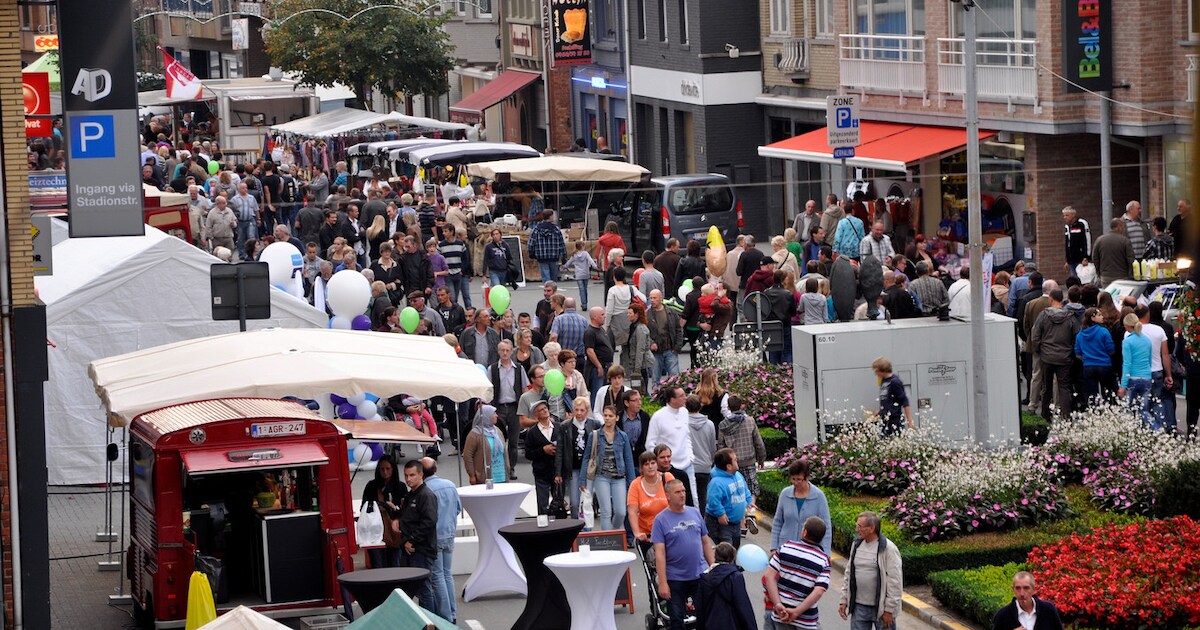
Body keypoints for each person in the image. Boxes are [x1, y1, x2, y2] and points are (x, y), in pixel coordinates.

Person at [652, 479, 716, 630]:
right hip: (675, 579)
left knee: (707, 616)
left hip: (699, 574)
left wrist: (713, 567)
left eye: (683, 491)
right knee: (677, 620)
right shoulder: (660, 520)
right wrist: (663, 582)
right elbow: (660, 553)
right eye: (677, 492)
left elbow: (706, 542)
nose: (682, 495)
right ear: (668, 496)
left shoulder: (695, 512)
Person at [766, 516, 832, 630]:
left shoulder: (786, 547)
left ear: (805, 532)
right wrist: (797, 611)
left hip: (781, 614)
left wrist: (777, 604)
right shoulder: (823, 560)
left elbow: (769, 576)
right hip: (806, 620)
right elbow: (818, 591)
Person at [579, 404, 636, 530]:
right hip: (601, 476)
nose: (607, 418)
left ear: (617, 418)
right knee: (606, 512)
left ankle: (614, 533)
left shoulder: (623, 436)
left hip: (619, 477)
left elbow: (628, 460)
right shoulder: (595, 435)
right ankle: (608, 538)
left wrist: (632, 482)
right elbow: (587, 457)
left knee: (621, 512)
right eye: (605, 415)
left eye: (610, 416)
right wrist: (582, 479)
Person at [420, 457, 460, 623]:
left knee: (437, 576)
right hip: (449, 533)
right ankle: (452, 613)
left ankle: (446, 616)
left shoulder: (425, 489)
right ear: (435, 469)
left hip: (434, 537)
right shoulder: (450, 485)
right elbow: (458, 508)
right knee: (447, 574)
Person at [1030, 288, 1081, 420]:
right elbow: (1076, 336)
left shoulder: (1043, 315)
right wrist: (1072, 352)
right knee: (1064, 387)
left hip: (1046, 356)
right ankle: (1066, 416)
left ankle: (1045, 414)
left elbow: (1035, 335)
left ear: (1050, 299)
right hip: (1064, 357)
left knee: (1046, 387)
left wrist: (1038, 350)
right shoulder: (1070, 317)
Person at [398, 460, 438, 610]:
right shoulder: (410, 495)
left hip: (422, 549)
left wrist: (412, 540)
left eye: (412, 475)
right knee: (411, 588)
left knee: (424, 589)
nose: (408, 479)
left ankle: (428, 620)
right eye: (406, 475)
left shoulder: (426, 495)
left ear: (421, 474)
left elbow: (429, 521)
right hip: (410, 548)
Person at [771, 460, 832, 556]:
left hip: (809, 552)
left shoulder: (819, 496)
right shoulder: (785, 494)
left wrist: (826, 553)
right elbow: (777, 523)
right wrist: (774, 548)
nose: (795, 483)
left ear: (807, 478)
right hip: (785, 549)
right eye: (793, 479)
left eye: (799, 479)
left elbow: (826, 527)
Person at [647, 386, 696, 503]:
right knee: (669, 501)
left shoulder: (684, 412)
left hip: (687, 465)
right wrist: (660, 463)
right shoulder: (658, 417)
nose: (685, 398)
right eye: (681, 396)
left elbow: (687, 436)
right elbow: (650, 443)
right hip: (668, 468)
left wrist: (690, 456)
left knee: (693, 500)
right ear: (672, 399)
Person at [557, 396, 601, 520]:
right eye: (576, 409)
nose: (579, 413)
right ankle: (575, 524)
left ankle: (588, 525)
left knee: (587, 499)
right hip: (574, 467)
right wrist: (558, 472)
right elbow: (560, 450)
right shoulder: (565, 426)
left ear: (587, 411)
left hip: (589, 468)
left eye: (582, 410)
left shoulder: (594, 424)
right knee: (574, 502)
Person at [697, 542, 757, 630]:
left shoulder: (705, 578)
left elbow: (700, 608)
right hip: (731, 624)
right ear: (732, 558)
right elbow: (743, 606)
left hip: (710, 624)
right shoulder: (735, 577)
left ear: (715, 556)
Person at [716, 396, 767, 498]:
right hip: (749, 462)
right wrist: (761, 460)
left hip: (731, 464)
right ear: (741, 406)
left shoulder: (723, 425)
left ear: (728, 407)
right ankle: (751, 507)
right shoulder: (750, 421)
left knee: (735, 492)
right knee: (752, 490)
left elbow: (721, 446)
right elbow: (759, 443)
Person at [704, 448, 755, 548]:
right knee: (726, 550)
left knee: (735, 546)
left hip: (735, 522)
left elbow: (744, 489)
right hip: (722, 523)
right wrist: (720, 514)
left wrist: (749, 501)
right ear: (729, 466)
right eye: (735, 460)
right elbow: (713, 500)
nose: (737, 460)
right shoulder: (716, 482)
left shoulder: (738, 475)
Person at [361, 455, 405, 567]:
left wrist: (395, 508)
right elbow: (363, 509)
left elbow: (405, 511)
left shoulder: (400, 487)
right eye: (382, 469)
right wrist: (377, 507)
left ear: (393, 469)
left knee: (395, 565)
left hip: (394, 531)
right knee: (378, 566)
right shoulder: (371, 486)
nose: (385, 472)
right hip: (375, 533)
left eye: (388, 469)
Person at [628, 451, 675, 547]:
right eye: (646, 464)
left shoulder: (667, 477)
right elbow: (632, 511)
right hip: (649, 537)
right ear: (641, 468)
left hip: (670, 533)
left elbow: (678, 501)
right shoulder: (635, 485)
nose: (650, 467)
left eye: (653, 463)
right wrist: (637, 533)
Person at [991, 571, 1064, 630]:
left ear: (1033, 589)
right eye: (1018, 588)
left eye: (1026, 588)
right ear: (1013, 589)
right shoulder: (1003, 615)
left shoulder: (1048, 610)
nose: (1022, 593)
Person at [524, 399, 561, 514]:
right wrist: (543, 450)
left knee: (558, 502)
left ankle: (559, 522)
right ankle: (543, 522)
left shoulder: (559, 427)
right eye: (541, 410)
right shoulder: (532, 433)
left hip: (557, 471)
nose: (544, 411)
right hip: (541, 472)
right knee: (542, 503)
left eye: (545, 408)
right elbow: (528, 454)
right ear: (536, 415)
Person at [1119, 313, 1155, 428]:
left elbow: (1127, 364)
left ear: (1127, 325)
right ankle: (1155, 430)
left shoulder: (1127, 342)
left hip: (1133, 378)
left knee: (1130, 410)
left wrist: (1123, 385)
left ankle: (1153, 429)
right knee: (1144, 409)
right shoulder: (1147, 340)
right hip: (1146, 377)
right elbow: (1149, 360)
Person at [1075, 307, 1115, 408]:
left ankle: (1094, 411)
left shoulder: (1080, 334)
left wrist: (1086, 359)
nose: (1102, 317)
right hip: (1104, 365)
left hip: (1088, 366)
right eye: (1099, 315)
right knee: (1107, 393)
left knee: (1092, 394)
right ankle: (1108, 411)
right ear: (1092, 318)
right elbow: (1111, 349)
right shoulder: (1104, 332)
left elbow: (1078, 353)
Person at [647, 289, 683, 393]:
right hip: (655, 353)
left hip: (670, 350)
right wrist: (651, 343)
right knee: (655, 379)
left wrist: (677, 347)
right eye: (651, 298)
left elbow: (678, 329)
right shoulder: (647, 314)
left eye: (654, 298)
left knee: (674, 378)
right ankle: (656, 397)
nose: (652, 300)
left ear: (661, 298)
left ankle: (674, 396)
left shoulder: (671, 312)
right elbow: (644, 333)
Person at [463, 405, 509, 485]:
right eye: (494, 413)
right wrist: (472, 475)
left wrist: (508, 467)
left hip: (502, 475)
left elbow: (504, 451)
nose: (496, 415)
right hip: (485, 477)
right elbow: (468, 456)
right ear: (486, 416)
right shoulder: (474, 435)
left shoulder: (497, 431)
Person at [687, 395, 717, 510]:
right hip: (705, 466)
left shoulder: (683, 424)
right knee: (702, 497)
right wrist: (710, 461)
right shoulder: (709, 424)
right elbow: (712, 447)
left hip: (688, 466)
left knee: (689, 499)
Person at [872, 357, 912, 436]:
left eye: (876, 371)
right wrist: (880, 411)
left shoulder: (894, 382)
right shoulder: (884, 381)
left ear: (882, 369)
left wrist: (909, 421)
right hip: (885, 420)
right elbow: (888, 400)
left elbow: (904, 400)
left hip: (894, 420)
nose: (875, 373)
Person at [1090, 218, 1135, 285]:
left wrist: (1099, 272)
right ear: (1119, 227)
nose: (1123, 229)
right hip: (1122, 276)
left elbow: (1095, 258)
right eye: (1123, 227)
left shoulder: (1099, 240)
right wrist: (1130, 275)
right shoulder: (1125, 241)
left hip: (1105, 277)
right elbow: (1131, 259)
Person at [584, 306, 616, 396]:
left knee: (605, 394)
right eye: (602, 315)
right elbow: (590, 351)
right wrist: (599, 366)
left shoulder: (601, 329)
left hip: (606, 367)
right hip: (597, 369)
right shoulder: (590, 332)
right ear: (594, 317)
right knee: (597, 393)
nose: (604, 317)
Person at [624, 302, 655, 393]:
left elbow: (640, 349)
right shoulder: (633, 326)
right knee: (638, 389)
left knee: (641, 390)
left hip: (642, 365)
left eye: (630, 313)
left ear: (636, 314)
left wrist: (637, 369)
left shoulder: (640, 329)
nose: (628, 315)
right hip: (636, 364)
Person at [529, 210, 567, 282]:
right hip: (554, 256)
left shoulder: (536, 229)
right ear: (550, 217)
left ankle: (547, 287)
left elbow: (531, 243)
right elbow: (561, 244)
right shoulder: (556, 230)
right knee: (554, 277)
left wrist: (532, 253)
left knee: (545, 277)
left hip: (541, 256)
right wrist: (563, 257)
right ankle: (553, 288)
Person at [566, 241, 598, 309]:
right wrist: (596, 266)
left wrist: (564, 266)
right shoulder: (585, 253)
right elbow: (591, 261)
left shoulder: (574, 255)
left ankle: (584, 304)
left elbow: (569, 262)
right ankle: (585, 303)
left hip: (578, 274)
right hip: (586, 273)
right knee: (585, 289)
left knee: (581, 289)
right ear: (582, 247)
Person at [1062, 206, 1091, 273]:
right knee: (1073, 278)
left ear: (1073, 215)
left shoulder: (1082, 223)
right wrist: (1067, 260)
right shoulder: (1067, 226)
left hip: (1081, 259)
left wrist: (1086, 257)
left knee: (1082, 277)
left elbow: (1087, 240)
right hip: (1071, 260)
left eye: (1067, 215)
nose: (1064, 217)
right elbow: (1067, 243)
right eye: (1064, 215)